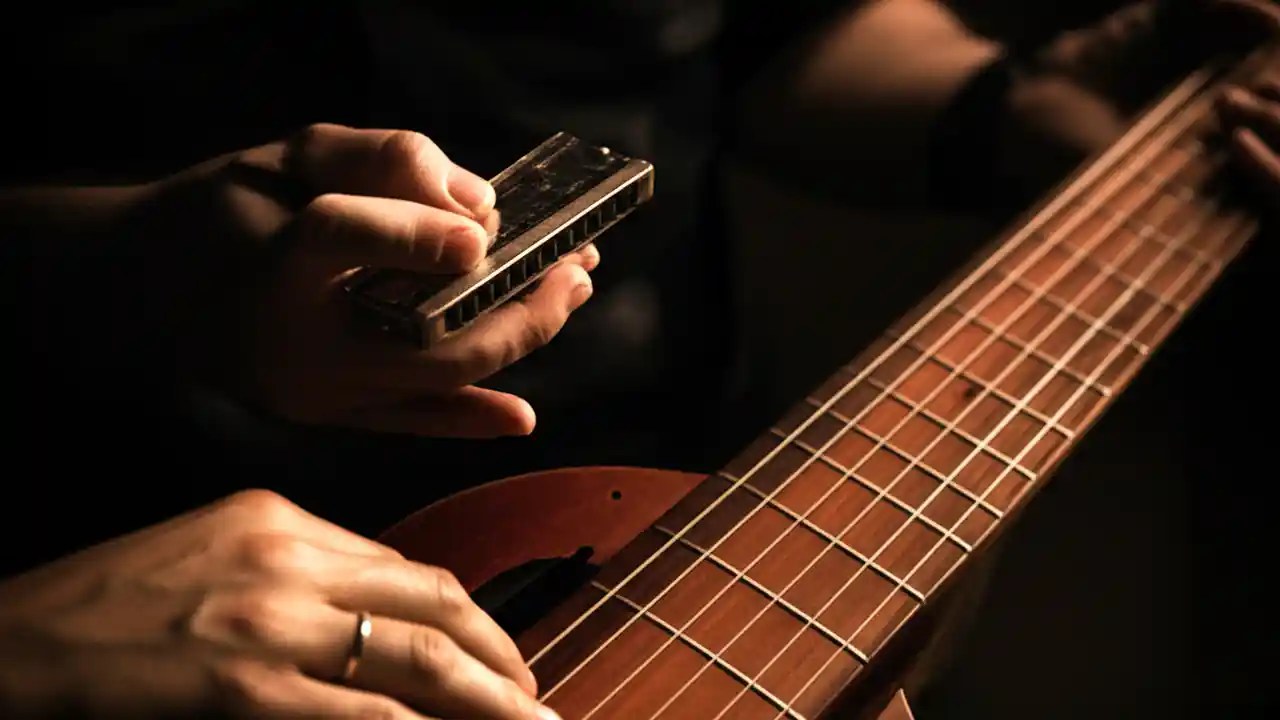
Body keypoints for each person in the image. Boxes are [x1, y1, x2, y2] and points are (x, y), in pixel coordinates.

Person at [2, 1, 1279, 718]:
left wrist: (1004, 110)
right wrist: (114, 270)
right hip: (121, 578)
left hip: (695, 501)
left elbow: (760, 41)